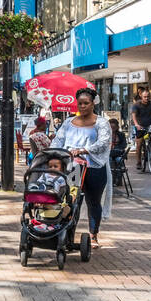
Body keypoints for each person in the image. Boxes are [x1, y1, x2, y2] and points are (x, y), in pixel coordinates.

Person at [51, 88, 112, 247]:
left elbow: (104, 142)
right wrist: (52, 154)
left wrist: (84, 150)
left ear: (93, 104)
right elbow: (58, 141)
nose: (83, 106)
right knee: (71, 200)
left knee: (93, 202)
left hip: (94, 167)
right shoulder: (68, 122)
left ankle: (93, 235)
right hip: (73, 167)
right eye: (80, 103)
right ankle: (68, 235)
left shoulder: (101, 123)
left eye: (86, 103)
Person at [130, 89, 151, 169]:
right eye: (145, 97)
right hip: (140, 127)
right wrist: (136, 124)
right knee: (139, 145)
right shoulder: (137, 105)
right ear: (141, 96)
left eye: (148, 97)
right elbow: (134, 115)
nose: (146, 98)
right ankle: (138, 162)